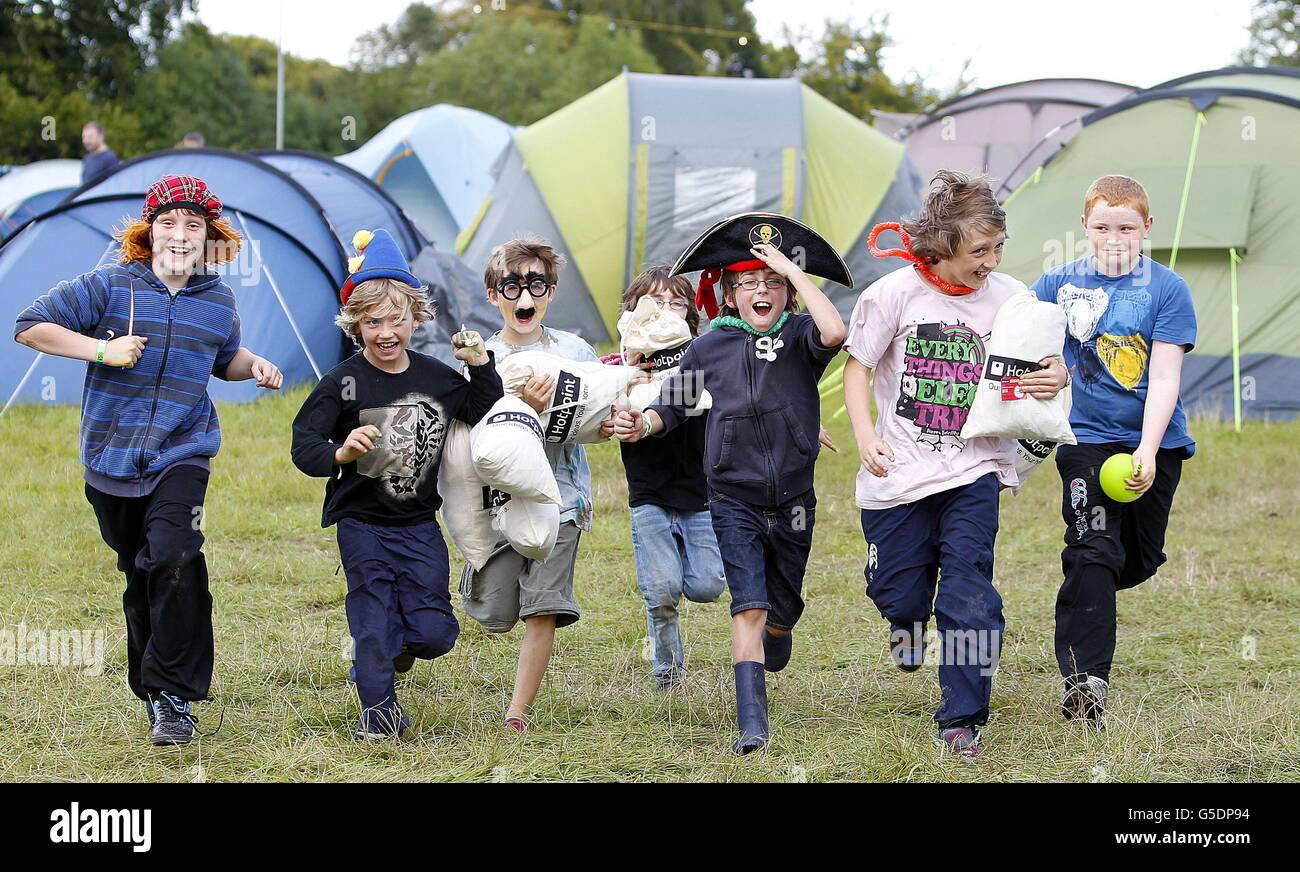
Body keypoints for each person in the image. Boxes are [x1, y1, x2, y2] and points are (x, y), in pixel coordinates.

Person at [13, 174, 283, 744]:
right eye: (168, 223)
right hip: (109, 460)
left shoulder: (217, 299)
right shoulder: (109, 286)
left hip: (183, 451)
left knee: (175, 557)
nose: (180, 235)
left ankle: (174, 695)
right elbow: (29, 326)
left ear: (210, 237)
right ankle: (153, 688)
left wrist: (253, 364)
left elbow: (224, 357)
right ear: (148, 231)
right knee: (140, 574)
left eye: (193, 225)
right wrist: (102, 349)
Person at [843, 171, 1068, 758]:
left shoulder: (1012, 298)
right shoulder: (892, 294)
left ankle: (962, 718)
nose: (991, 261)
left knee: (970, 597)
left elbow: (1042, 365)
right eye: (978, 251)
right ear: (940, 247)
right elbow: (857, 368)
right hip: (899, 476)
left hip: (975, 472)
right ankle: (905, 623)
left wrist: (1055, 375)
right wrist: (867, 437)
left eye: (998, 247)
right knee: (899, 592)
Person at [616, 213, 849, 755]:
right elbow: (671, 410)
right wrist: (641, 423)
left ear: (787, 292)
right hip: (731, 498)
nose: (760, 291)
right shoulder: (709, 348)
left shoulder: (799, 337)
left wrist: (791, 268)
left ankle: (782, 627)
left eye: (770, 283)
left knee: (781, 606)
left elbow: (835, 332)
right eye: (748, 283)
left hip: (794, 499)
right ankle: (752, 727)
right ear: (727, 294)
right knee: (748, 606)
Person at [291, 229, 503, 741]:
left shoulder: (435, 377)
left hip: (417, 524)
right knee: (371, 615)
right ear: (355, 324)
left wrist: (480, 365)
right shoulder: (343, 381)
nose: (385, 332)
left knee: (435, 634)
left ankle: (391, 653)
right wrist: (341, 453)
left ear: (416, 318)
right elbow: (304, 444)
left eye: (396, 319)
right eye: (372, 322)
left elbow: (481, 408)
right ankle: (378, 712)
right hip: (360, 523)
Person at [1031, 174, 1197, 725]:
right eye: (1102, 225)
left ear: (1147, 228)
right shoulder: (1055, 284)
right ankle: (1086, 680)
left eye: (1126, 226)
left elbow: (1166, 377)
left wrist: (1149, 451)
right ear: (1085, 227)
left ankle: (1102, 578)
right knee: (1091, 548)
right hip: (1084, 442)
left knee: (1136, 559)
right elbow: (1027, 345)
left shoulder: (1168, 289)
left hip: (1155, 442)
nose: (1114, 236)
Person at [459, 234, 613, 732]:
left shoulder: (574, 350)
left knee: (542, 607)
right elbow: (470, 431)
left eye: (536, 285)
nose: (524, 297)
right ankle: (473, 577)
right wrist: (520, 407)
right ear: (493, 295)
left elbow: (600, 415)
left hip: (561, 499)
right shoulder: (483, 358)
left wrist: (607, 421)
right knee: (494, 610)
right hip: (499, 504)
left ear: (550, 292)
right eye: (511, 286)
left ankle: (517, 713)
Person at [615, 265, 725, 690]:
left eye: (675, 303)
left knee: (706, 586)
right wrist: (625, 386)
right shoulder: (622, 369)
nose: (664, 312)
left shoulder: (702, 364)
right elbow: (596, 411)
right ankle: (666, 667)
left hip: (701, 494)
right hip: (649, 495)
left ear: (690, 313)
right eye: (653, 304)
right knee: (661, 592)